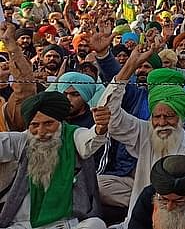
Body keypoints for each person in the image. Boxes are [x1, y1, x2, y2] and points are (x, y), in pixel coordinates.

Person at [98, 47, 185, 220]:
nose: (162, 123)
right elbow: (110, 115)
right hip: (138, 217)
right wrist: (129, 67)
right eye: (157, 116)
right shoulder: (144, 131)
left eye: (169, 116)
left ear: (180, 117)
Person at [0, 91, 110, 229]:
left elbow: (90, 140)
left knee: (96, 224)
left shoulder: (74, 136)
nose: (41, 131)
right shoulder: (22, 140)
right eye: (35, 125)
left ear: (60, 122)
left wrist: (100, 128)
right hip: (24, 224)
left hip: (65, 224)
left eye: (48, 123)